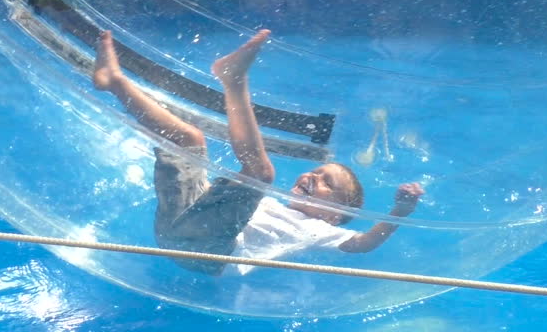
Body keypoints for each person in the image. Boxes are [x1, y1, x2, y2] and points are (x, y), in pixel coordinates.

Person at [93, 29, 424, 275]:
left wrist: (400, 212)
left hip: (205, 252)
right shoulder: (268, 203)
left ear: (334, 214)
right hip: (183, 221)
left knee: (262, 174)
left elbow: (364, 244)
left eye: (327, 183)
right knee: (189, 138)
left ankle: (234, 82)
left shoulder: (322, 231)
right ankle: (114, 81)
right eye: (317, 171)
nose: (311, 175)